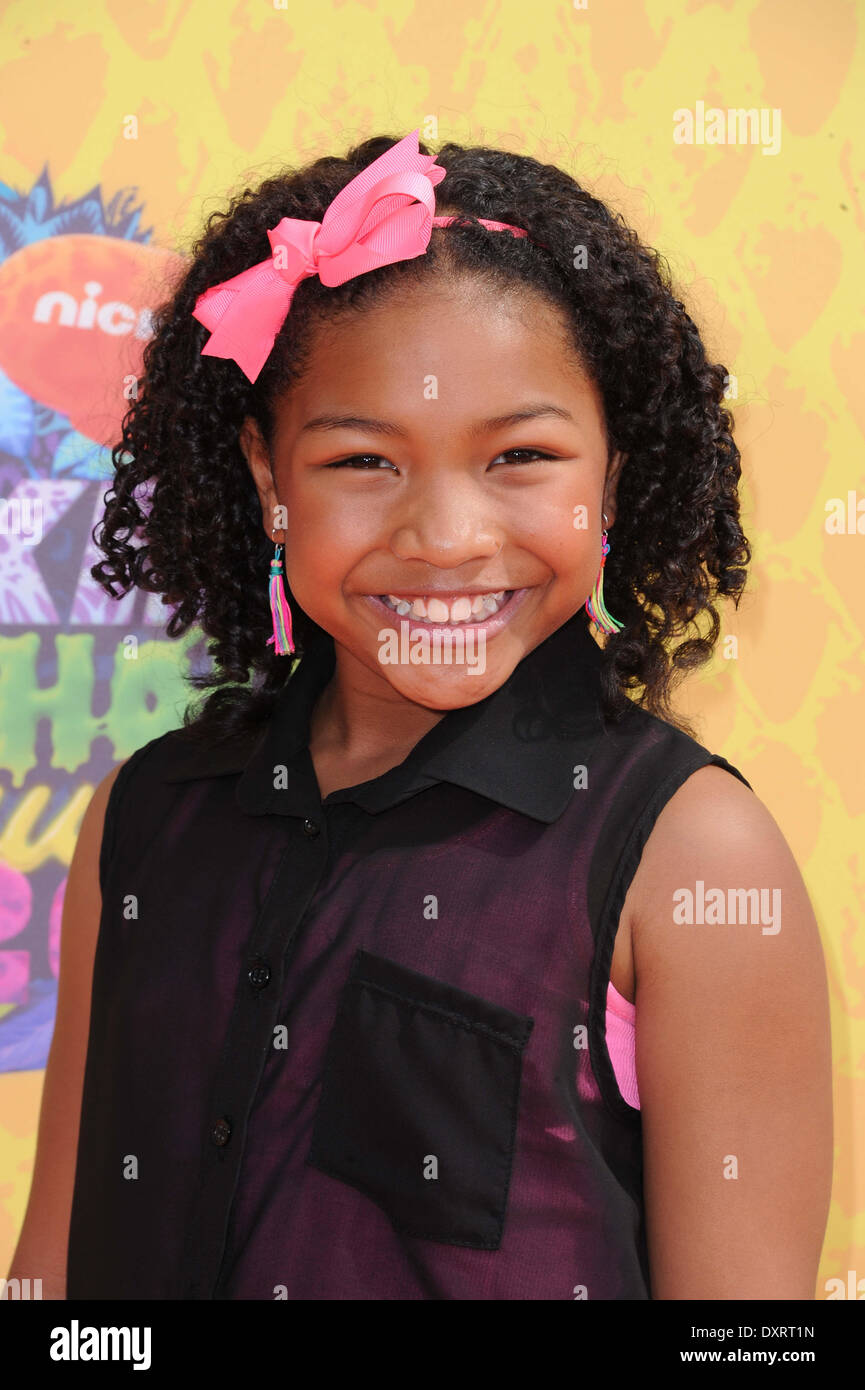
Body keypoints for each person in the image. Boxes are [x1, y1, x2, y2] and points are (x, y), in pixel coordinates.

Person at [9, 129, 832, 1300]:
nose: (447, 537)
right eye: (364, 463)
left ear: (610, 468)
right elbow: (57, 1272)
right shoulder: (142, 819)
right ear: (267, 477)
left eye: (521, 456)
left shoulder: (687, 857)